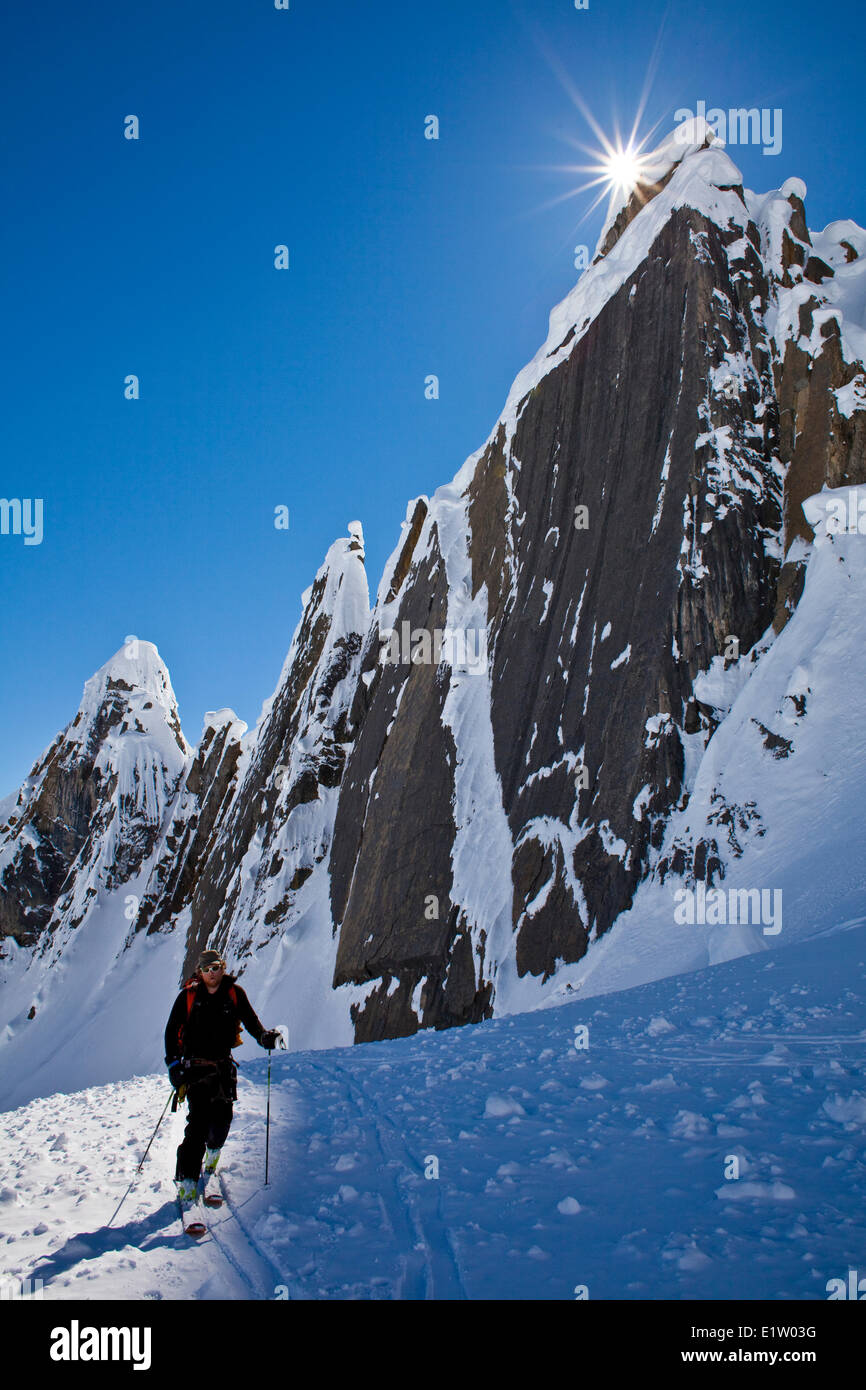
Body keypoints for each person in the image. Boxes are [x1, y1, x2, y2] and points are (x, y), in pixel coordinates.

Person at [164, 949, 282, 1210]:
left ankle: (213, 1153)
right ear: (200, 972)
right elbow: (172, 1031)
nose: (212, 974)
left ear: (223, 967)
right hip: (195, 1070)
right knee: (196, 1125)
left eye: (215, 968)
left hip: (223, 1069)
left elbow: (251, 1021)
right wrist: (173, 1065)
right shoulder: (188, 997)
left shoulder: (234, 994)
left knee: (222, 1121)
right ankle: (187, 1179)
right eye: (206, 970)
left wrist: (264, 1037)